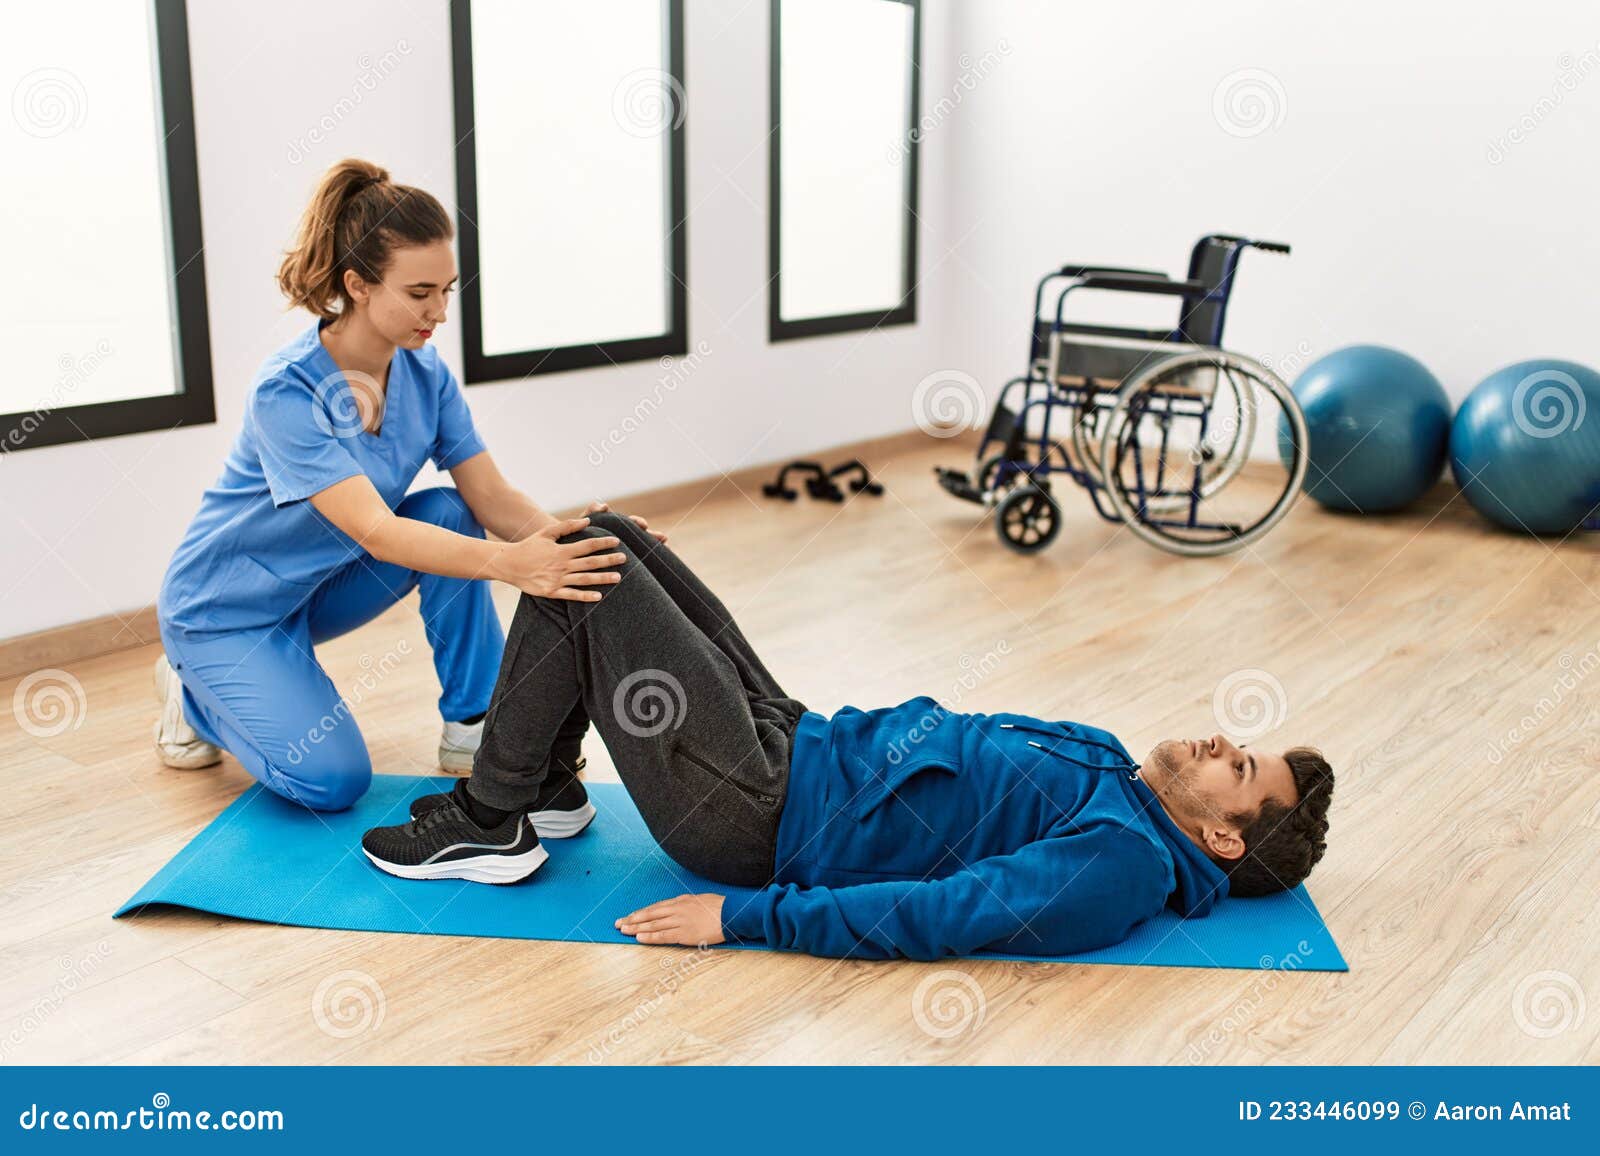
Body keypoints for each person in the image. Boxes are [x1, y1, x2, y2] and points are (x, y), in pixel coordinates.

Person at [361, 512, 1335, 962]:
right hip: (793, 741)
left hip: (758, 815)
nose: (1218, 740)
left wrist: (743, 919)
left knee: (586, 574)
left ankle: (492, 817)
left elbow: (946, 912)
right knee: (615, 535)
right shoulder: (1111, 763)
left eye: (1237, 766)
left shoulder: (1120, 864)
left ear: (1222, 837)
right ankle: (549, 785)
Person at [154, 157, 660, 811]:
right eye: (420, 293)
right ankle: (191, 694)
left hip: (315, 592)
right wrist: (513, 565)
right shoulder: (288, 389)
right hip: (224, 613)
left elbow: (491, 498)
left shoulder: (426, 374)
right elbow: (376, 529)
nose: (440, 311)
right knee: (331, 782)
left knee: (449, 511)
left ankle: (473, 721)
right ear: (358, 285)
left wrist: (588, 542)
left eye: (448, 289)